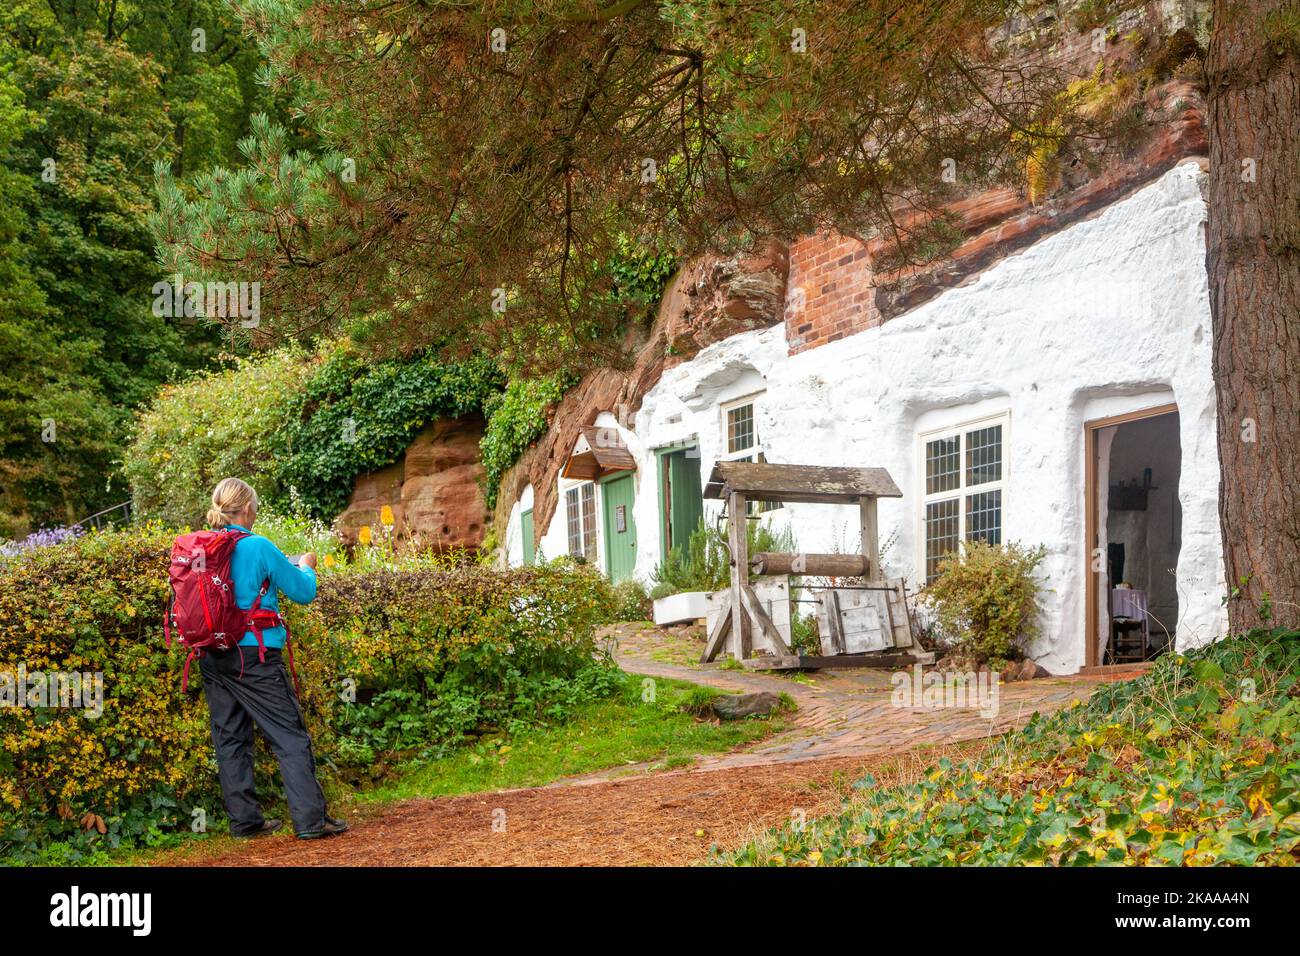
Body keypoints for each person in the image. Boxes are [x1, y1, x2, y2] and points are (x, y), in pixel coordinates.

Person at [200, 477, 348, 840]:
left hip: (211, 652)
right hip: (255, 654)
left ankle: (246, 823)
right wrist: (309, 565)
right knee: (289, 736)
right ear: (248, 509)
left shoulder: (203, 546)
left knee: (230, 739)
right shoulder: (259, 547)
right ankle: (311, 821)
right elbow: (302, 592)